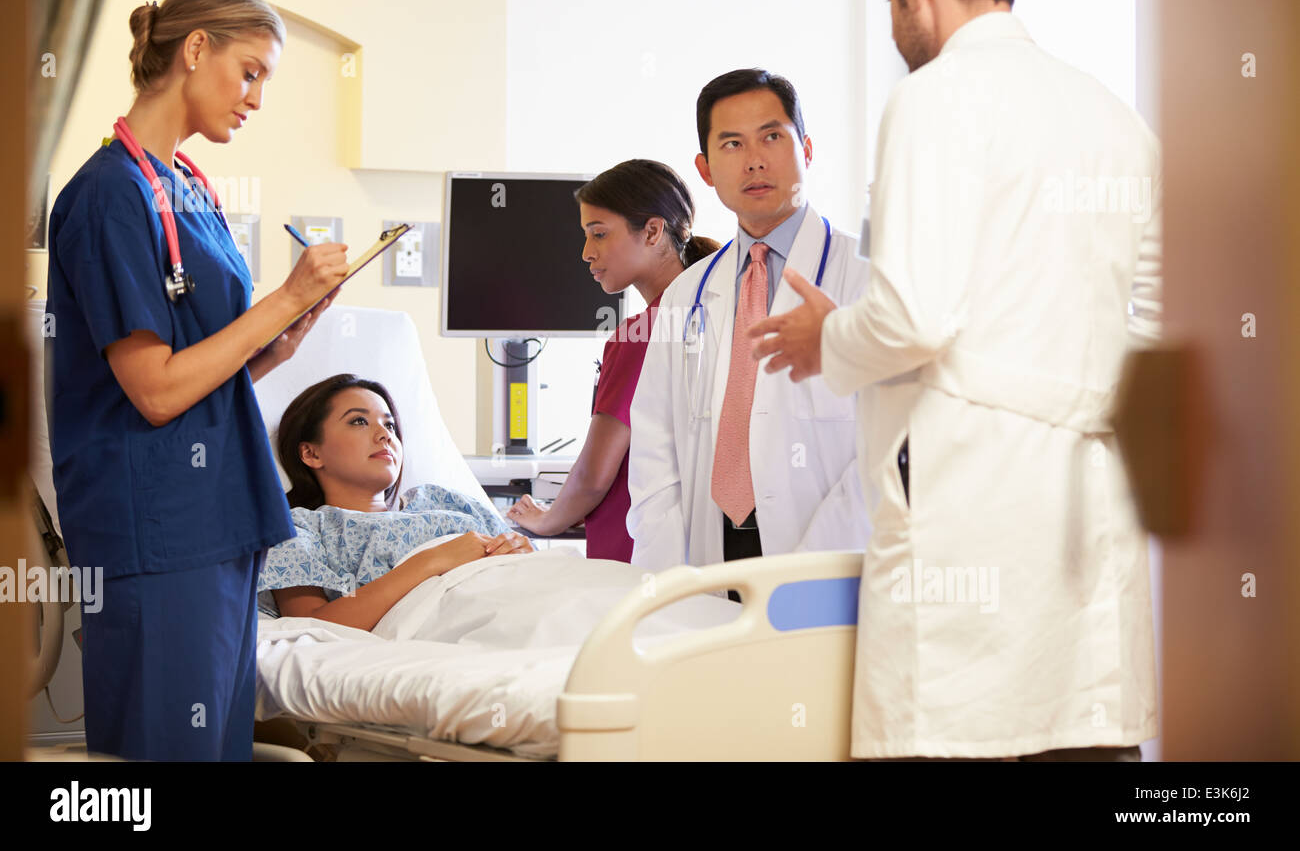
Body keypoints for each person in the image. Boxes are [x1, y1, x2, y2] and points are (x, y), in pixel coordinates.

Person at [751, 0, 1161, 760]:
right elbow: (1159, 321)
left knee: (947, 733)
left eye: (891, 4)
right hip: (1091, 486)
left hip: (970, 489)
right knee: (1081, 734)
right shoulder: (1116, 118)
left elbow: (914, 317)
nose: (896, 28)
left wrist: (824, 339)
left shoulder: (935, 99)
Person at [45, 0, 351, 761]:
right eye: (250, 72)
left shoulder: (187, 187)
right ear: (193, 50)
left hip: (218, 517)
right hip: (158, 523)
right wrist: (283, 299)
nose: (255, 98)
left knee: (215, 747)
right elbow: (154, 392)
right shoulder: (109, 194)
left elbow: (197, 374)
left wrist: (274, 345)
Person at [627, 69, 872, 590]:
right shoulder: (687, 293)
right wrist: (666, 577)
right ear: (706, 169)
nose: (755, 159)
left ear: (806, 148)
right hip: (709, 562)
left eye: (772, 137)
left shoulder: (869, 275)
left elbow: (893, 442)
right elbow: (654, 444)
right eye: (732, 144)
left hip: (832, 563)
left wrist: (812, 570)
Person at [505, 160, 720, 561]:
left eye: (599, 234)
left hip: (633, 560)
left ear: (653, 231)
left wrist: (548, 519)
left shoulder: (643, 334)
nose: (587, 253)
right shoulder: (714, 316)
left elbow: (594, 476)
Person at [259, 375, 533, 630]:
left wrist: (521, 548)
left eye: (389, 425)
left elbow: (528, 565)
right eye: (359, 421)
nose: (385, 435)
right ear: (311, 453)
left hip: (526, 600)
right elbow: (309, 626)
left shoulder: (448, 501)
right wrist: (432, 560)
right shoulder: (299, 530)